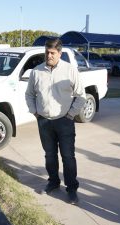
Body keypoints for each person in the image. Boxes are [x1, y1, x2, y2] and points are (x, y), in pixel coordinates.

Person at [25, 38, 86, 205]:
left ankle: (72, 189)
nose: (49, 55)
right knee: (50, 155)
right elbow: (29, 94)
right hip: (44, 121)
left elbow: (81, 95)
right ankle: (53, 182)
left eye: (52, 53)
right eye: (47, 52)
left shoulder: (70, 70)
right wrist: (35, 112)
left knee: (68, 156)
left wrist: (71, 114)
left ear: (60, 53)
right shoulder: (36, 71)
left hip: (64, 121)